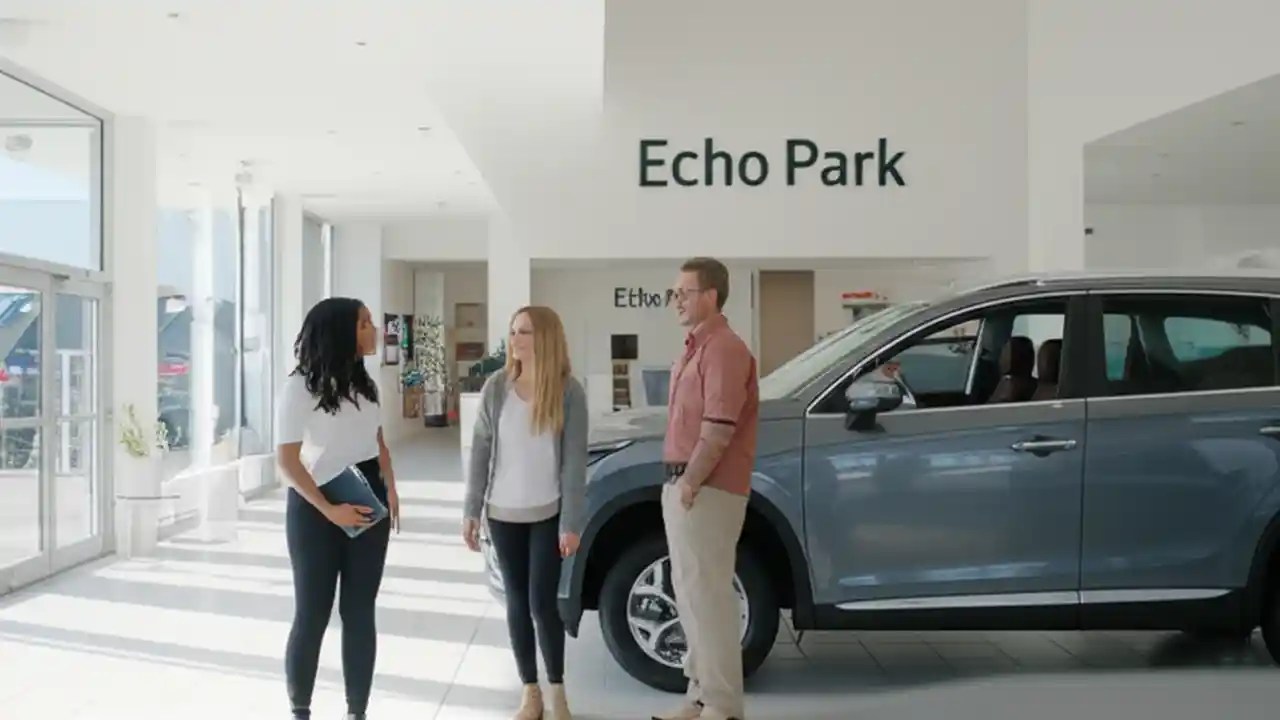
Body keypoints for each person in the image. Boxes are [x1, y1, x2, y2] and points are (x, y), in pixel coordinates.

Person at [276, 297, 401, 720]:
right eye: (365, 323)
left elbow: (378, 442)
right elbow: (288, 461)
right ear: (340, 331)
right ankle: (301, 710)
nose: (374, 330)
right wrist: (330, 511)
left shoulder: (368, 386)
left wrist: (392, 488)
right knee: (312, 613)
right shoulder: (298, 388)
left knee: (360, 612)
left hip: (367, 499)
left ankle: (356, 712)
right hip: (315, 508)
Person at [462, 305, 589, 720]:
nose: (515, 340)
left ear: (546, 338)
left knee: (542, 603)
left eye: (526, 332)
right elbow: (480, 452)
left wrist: (571, 522)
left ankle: (557, 691)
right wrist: (472, 510)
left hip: (548, 513)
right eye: (514, 331)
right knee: (516, 602)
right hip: (502, 514)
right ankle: (529, 691)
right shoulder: (496, 388)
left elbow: (574, 463)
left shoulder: (569, 391)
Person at [654, 258, 759, 720]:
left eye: (684, 291)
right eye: (674, 292)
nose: (676, 299)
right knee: (691, 595)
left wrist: (691, 483)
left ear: (710, 296)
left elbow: (718, 428)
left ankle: (723, 704)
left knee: (710, 599)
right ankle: (699, 696)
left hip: (706, 490)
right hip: (683, 485)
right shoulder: (694, 348)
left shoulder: (724, 349)